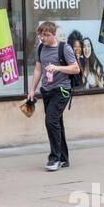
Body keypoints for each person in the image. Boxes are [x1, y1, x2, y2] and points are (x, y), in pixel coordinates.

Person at [26, 20, 81, 171]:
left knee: (51, 121)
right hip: (47, 90)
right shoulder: (40, 48)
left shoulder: (65, 48)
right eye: (40, 35)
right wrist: (32, 90)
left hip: (62, 90)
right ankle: (64, 158)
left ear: (54, 34)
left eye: (46, 35)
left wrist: (57, 68)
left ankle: (54, 158)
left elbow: (76, 69)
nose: (42, 38)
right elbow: (38, 70)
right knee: (56, 123)